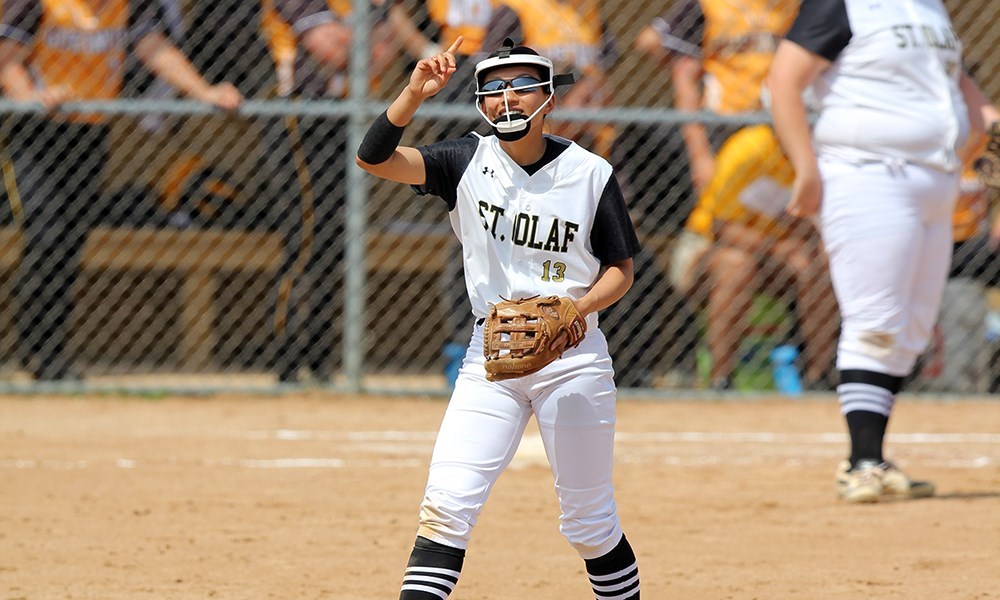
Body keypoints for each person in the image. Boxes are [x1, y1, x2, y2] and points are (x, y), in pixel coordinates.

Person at [356, 38, 641, 598]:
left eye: (523, 85)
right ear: (480, 103)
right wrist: (413, 94)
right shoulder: (464, 160)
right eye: (493, 88)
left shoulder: (590, 173)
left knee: (588, 523)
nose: (507, 97)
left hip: (573, 356)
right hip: (491, 354)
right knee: (446, 507)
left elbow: (620, 269)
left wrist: (575, 308)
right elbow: (373, 158)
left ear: (549, 98)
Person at [768, 0, 1000, 503]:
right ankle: (861, 463)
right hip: (869, 173)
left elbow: (960, 89)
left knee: (911, 326)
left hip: (937, 181)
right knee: (873, 319)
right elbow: (783, 81)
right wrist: (805, 167)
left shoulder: (929, 8)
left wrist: (992, 135)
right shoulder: (843, 5)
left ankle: (873, 457)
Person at [0, 0, 242, 381]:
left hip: (90, 133)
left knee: (70, 241)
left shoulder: (126, 4)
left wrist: (203, 91)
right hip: (35, 132)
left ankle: (49, 356)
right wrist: (31, 97)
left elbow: (154, 48)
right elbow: (7, 59)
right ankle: (30, 350)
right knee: (45, 231)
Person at [673, 124, 839, 391]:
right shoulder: (750, 146)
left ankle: (818, 377)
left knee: (819, 265)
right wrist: (776, 248)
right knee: (737, 265)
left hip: (782, 253)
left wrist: (796, 245)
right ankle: (721, 381)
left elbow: (818, 228)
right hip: (709, 246)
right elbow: (721, 227)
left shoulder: (824, 153)